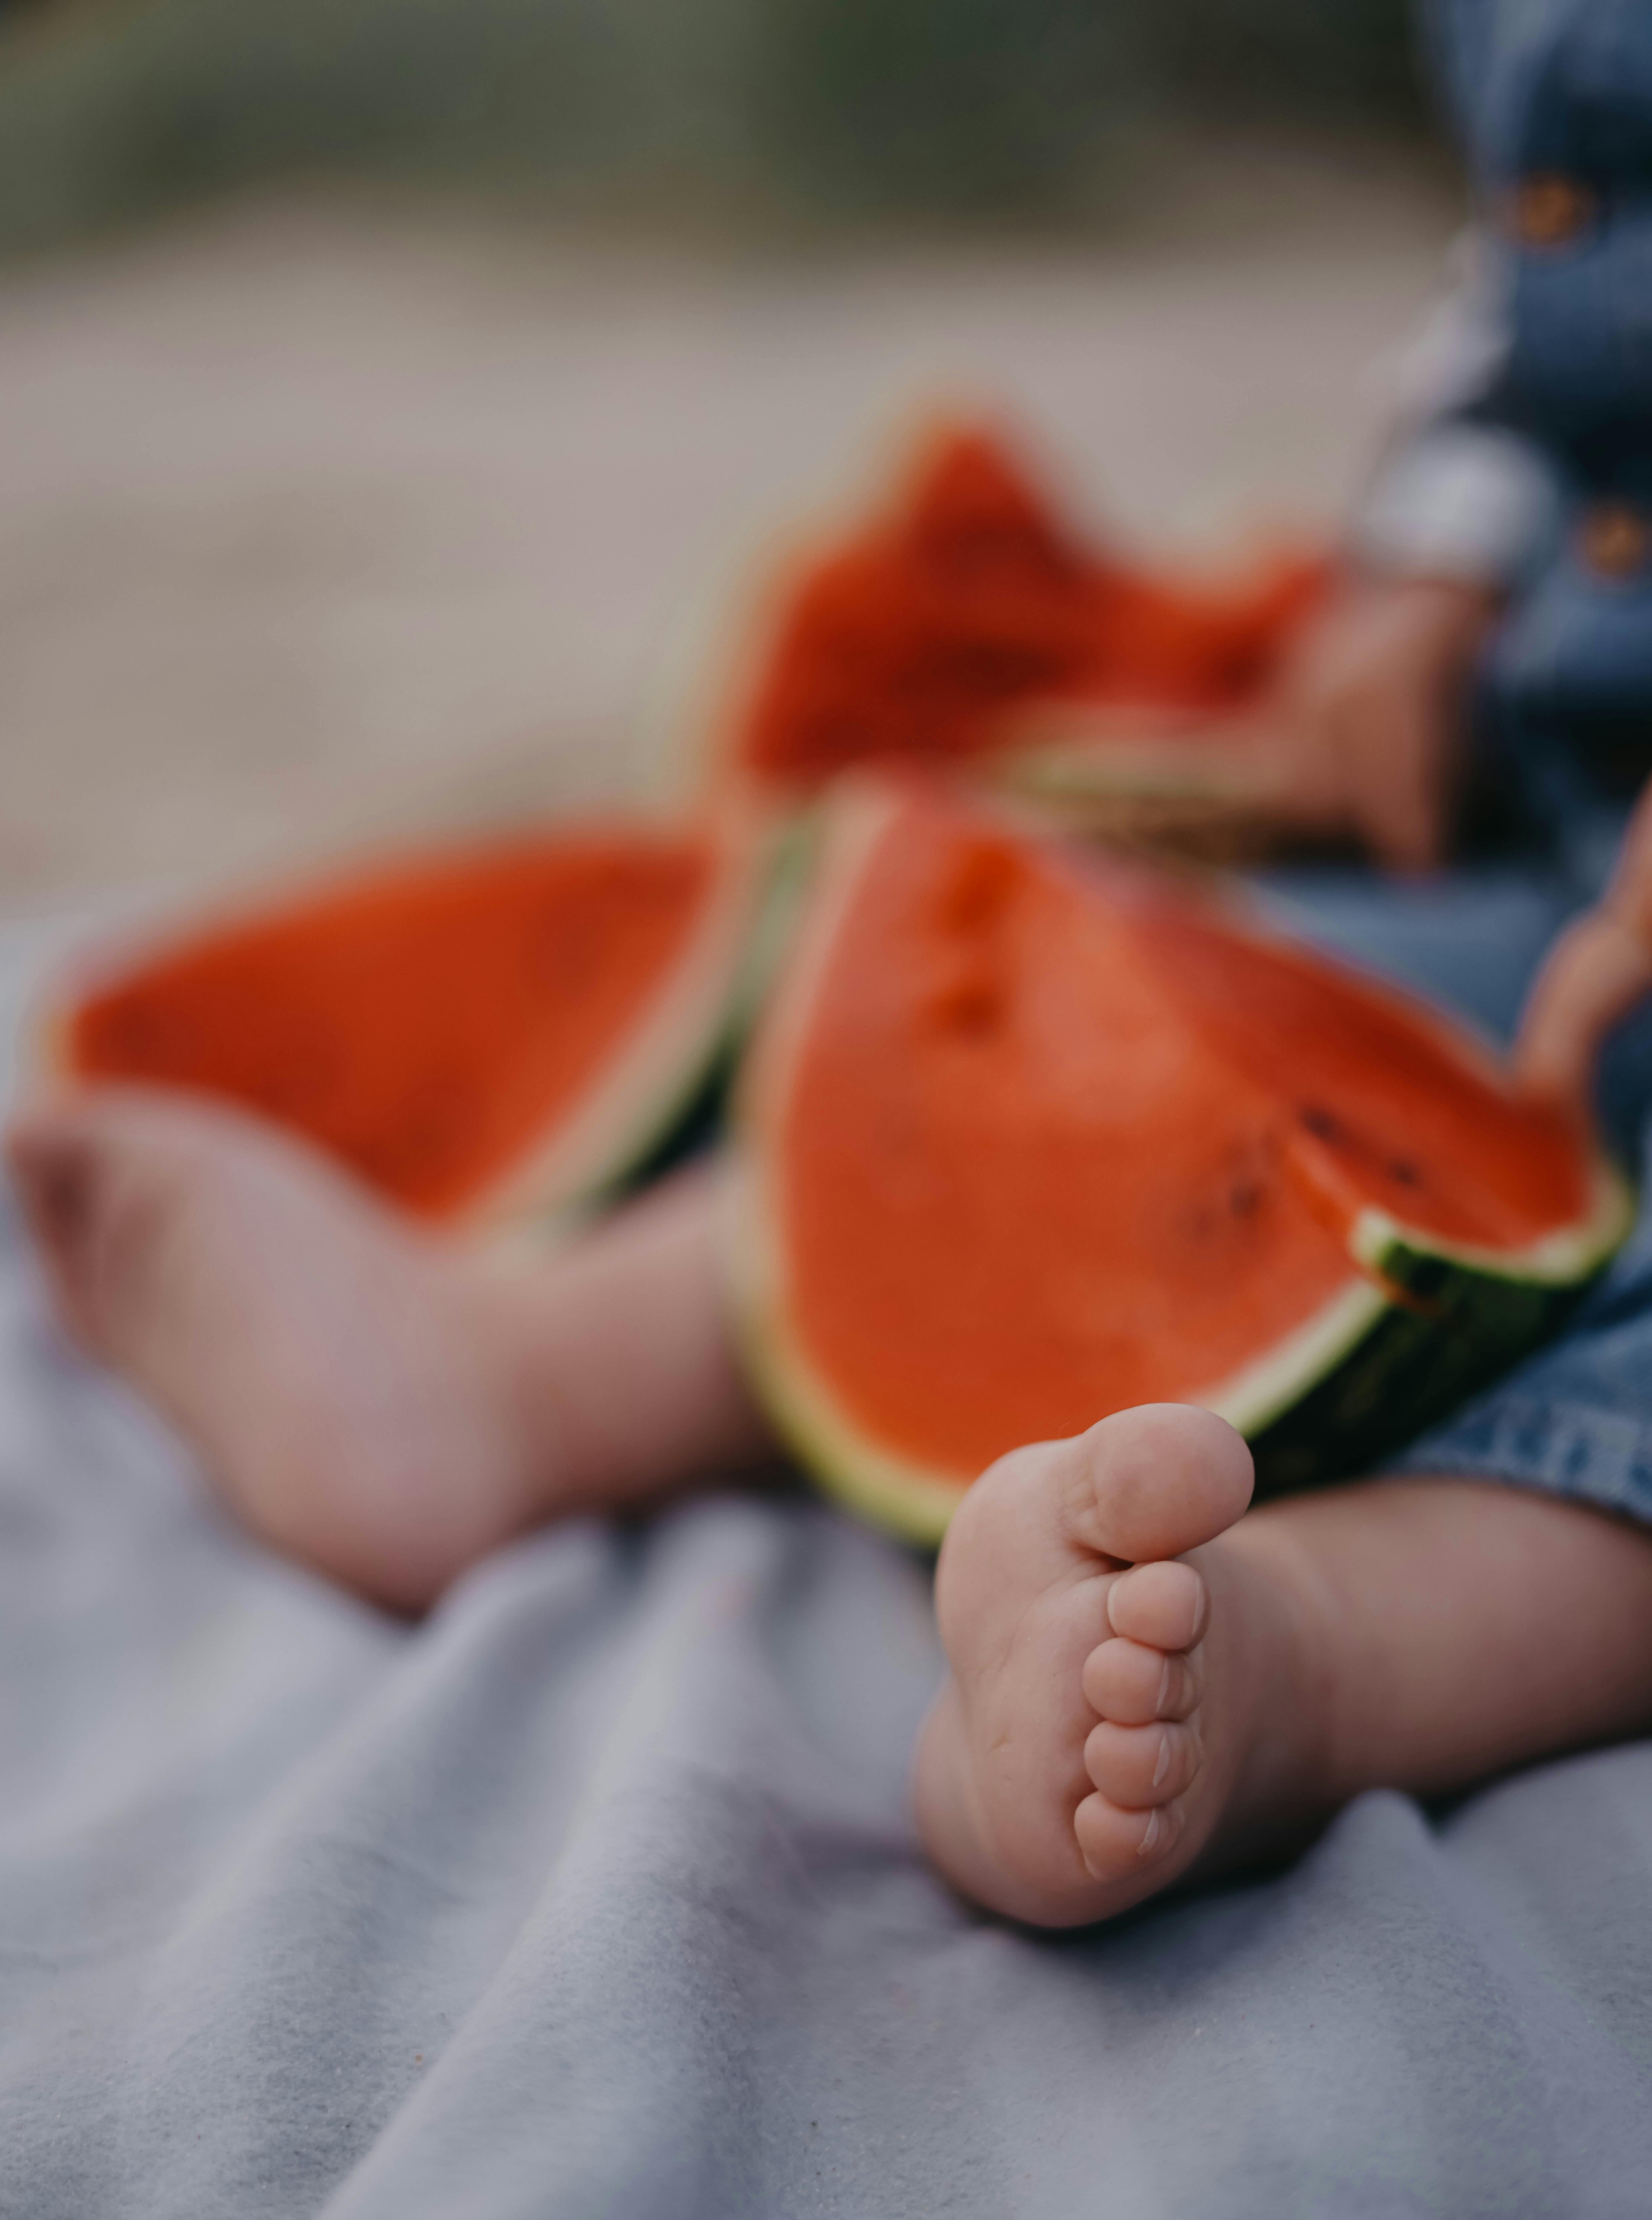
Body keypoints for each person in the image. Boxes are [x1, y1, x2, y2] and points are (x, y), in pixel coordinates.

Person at [8, 0, 1652, 1932]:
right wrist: (1429, 580)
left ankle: (1271, 1664)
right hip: (1551, 860)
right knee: (1131, 1028)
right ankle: (518, 1381)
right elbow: (1520, 315)